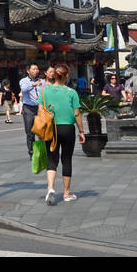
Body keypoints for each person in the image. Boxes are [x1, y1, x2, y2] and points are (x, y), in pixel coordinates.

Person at [41, 65, 84, 205]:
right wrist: (81, 131)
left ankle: (50, 188)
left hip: (51, 128)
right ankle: (66, 193)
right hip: (68, 128)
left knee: (51, 159)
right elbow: (77, 113)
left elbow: (40, 110)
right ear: (66, 76)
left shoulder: (45, 91)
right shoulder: (72, 92)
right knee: (67, 159)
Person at [19, 63, 45, 157]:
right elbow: (24, 89)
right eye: (34, 69)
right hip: (29, 108)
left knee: (41, 131)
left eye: (37, 69)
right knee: (30, 132)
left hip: (40, 108)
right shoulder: (24, 81)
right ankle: (32, 153)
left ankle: (42, 151)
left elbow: (46, 91)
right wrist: (34, 84)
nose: (36, 71)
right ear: (28, 71)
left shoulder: (42, 81)